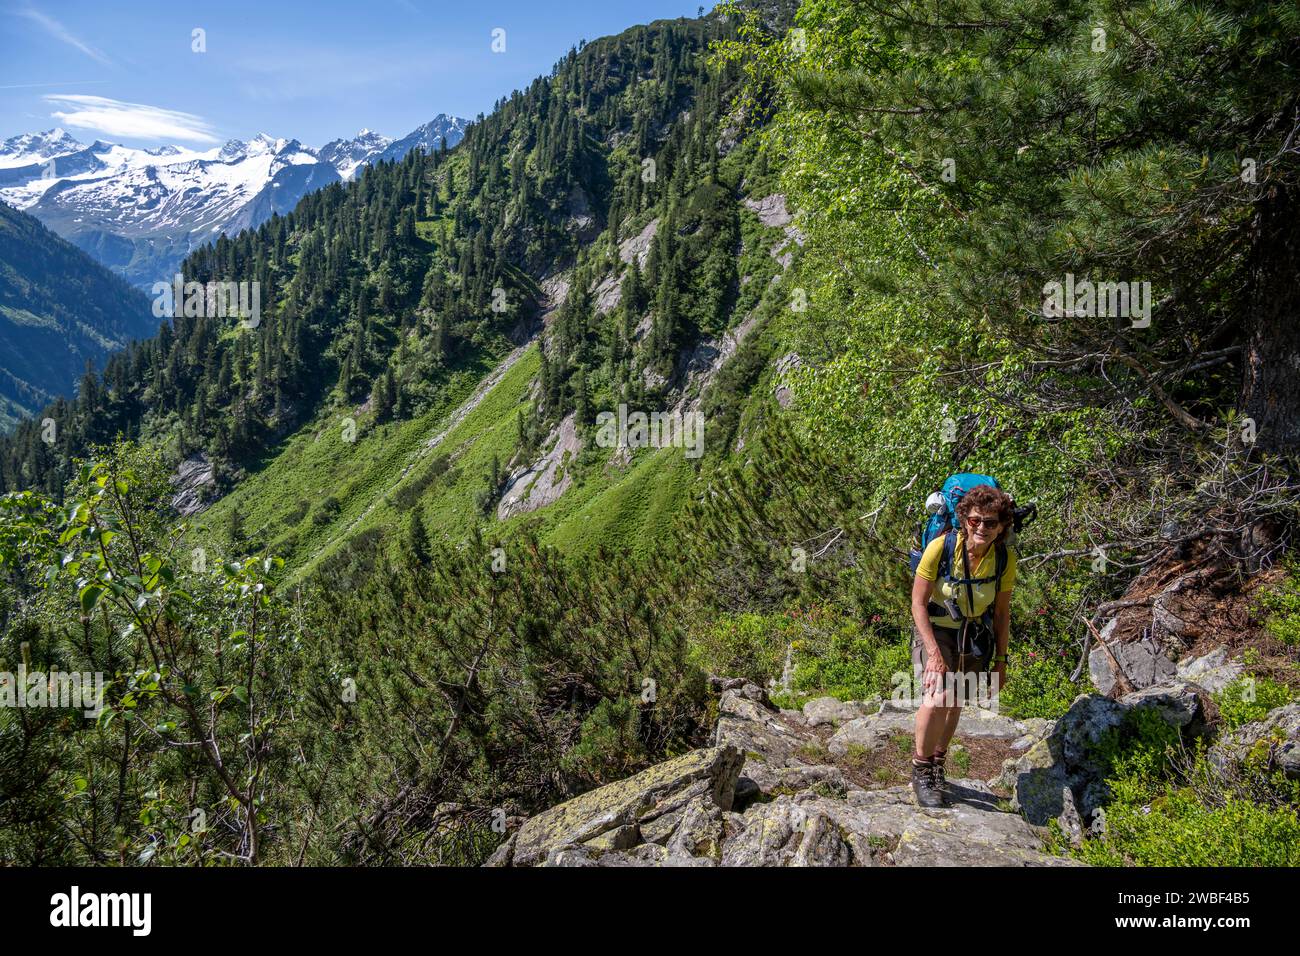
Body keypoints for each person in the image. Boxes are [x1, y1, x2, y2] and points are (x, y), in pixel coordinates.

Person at [909, 484, 1017, 807]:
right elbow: (917, 603)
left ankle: (938, 763)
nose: (982, 527)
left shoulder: (1003, 559)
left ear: (1001, 527)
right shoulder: (941, 548)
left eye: (991, 522)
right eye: (975, 520)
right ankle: (921, 768)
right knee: (938, 695)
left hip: (973, 635)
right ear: (963, 520)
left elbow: (1001, 612)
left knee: (955, 699)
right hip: (936, 627)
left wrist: (1001, 661)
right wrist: (932, 654)